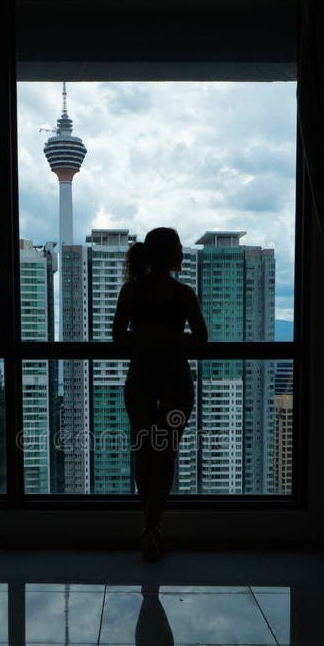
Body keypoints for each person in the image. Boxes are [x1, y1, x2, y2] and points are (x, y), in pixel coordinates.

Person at [112, 227, 208, 561]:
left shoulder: (131, 291)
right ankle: (151, 529)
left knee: (144, 455)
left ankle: (150, 527)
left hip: (140, 378)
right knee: (164, 455)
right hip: (176, 379)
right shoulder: (183, 294)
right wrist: (170, 339)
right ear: (169, 255)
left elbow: (118, 338)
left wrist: (146, 337)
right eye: (179, 248)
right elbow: (200, 338)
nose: (183, 253)